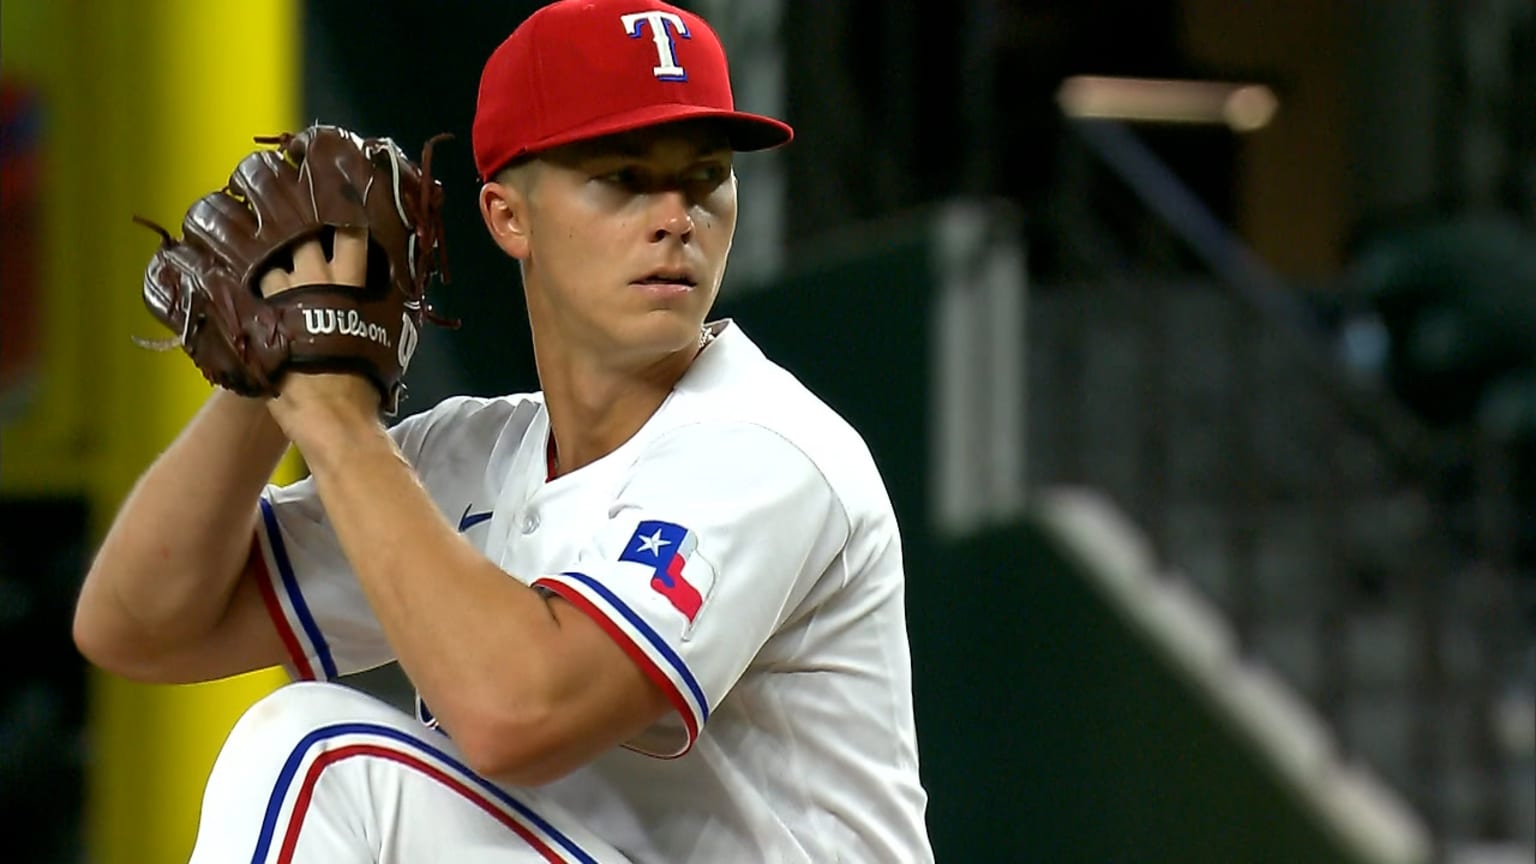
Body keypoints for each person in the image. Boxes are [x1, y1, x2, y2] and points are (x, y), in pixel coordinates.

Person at [73, 0, 933, 860]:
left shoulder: (763, 447)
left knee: (313, 757)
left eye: (705, 176)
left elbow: (519, 715)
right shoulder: (469, 460)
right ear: (507, 217)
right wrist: (272, 370)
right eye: (625, 177)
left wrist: (333, 420)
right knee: (306, 748)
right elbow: (138, 625)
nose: (678, 216)